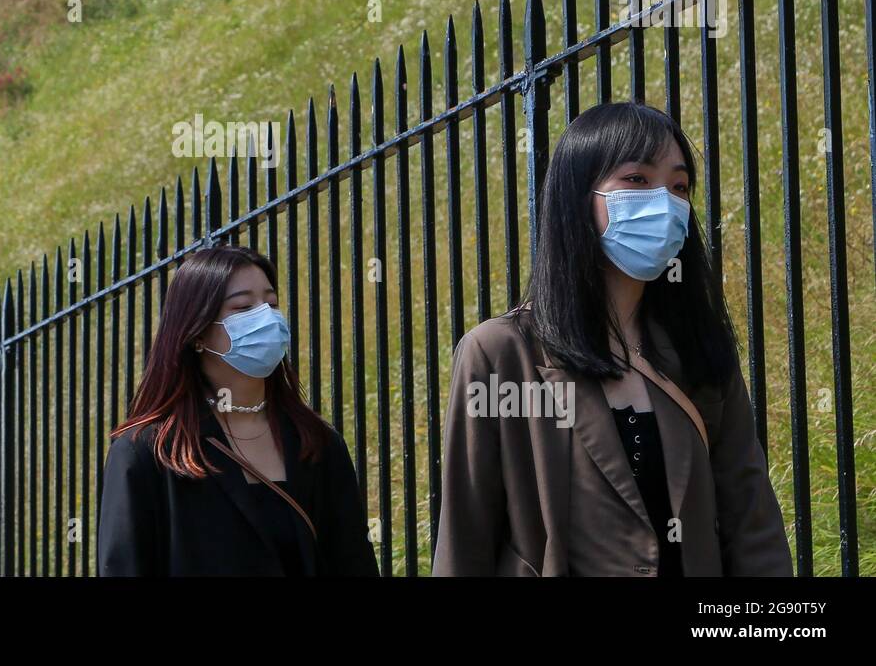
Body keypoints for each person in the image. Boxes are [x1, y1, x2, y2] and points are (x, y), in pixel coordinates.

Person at [432, 100, 794, 576]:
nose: (664, 203)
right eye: (637, 180)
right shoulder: (501, 353)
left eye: (679, 186)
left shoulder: (698, 350)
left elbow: (752, 523)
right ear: (578, 197)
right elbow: (465, 538)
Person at [97, 244, 378, 576]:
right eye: (243, 306)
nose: (267, 318)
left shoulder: (317, 442)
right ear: (197, 331)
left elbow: (353, 562)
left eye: (272, 304)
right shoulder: (147, 452)